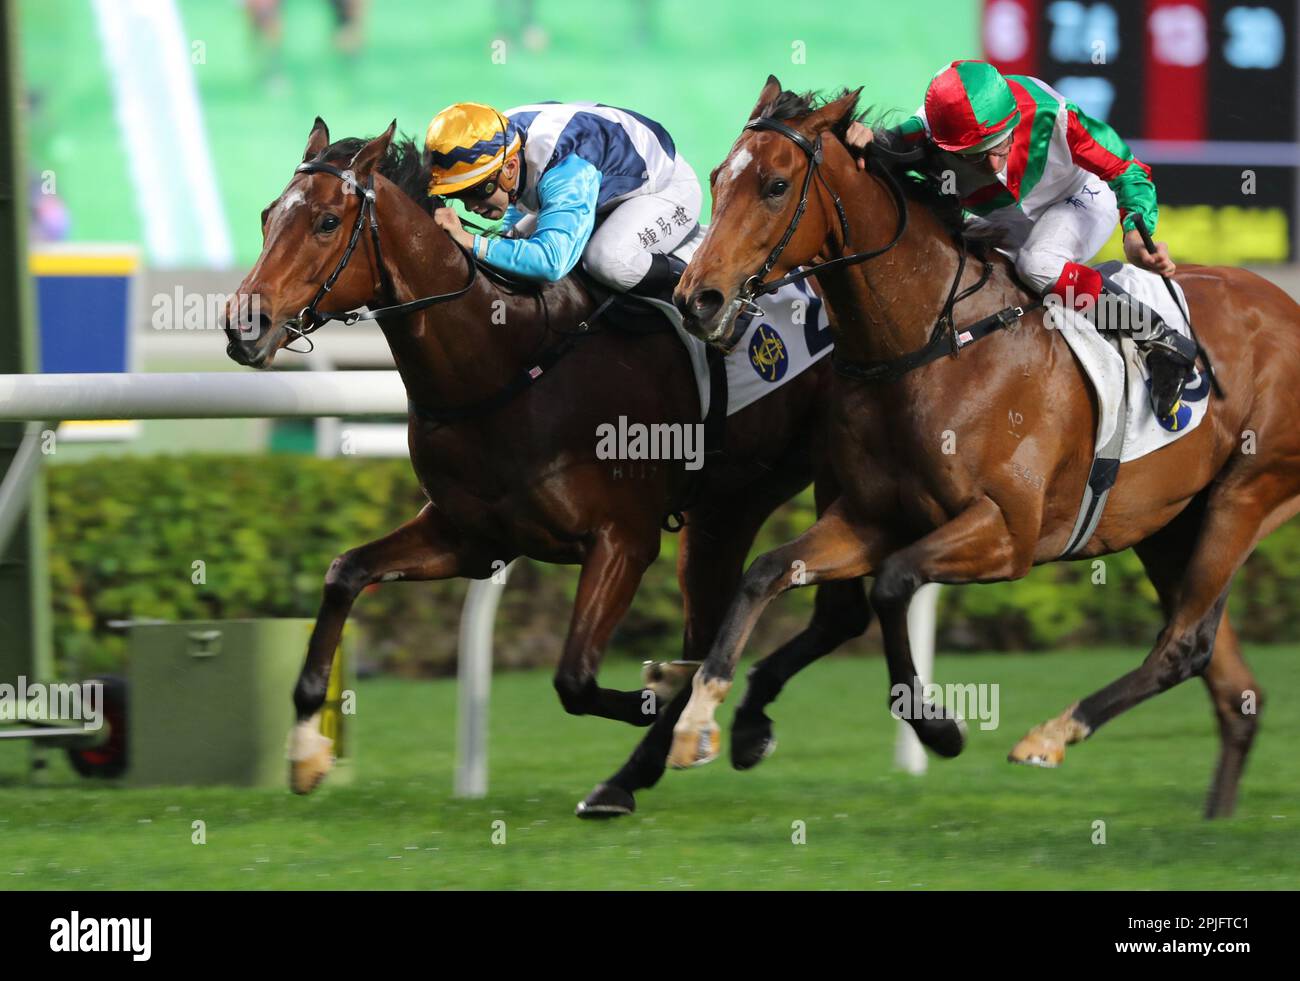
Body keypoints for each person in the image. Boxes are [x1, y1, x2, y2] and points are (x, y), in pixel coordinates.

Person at [846, 60, 1196, 420]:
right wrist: (860, 138)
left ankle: (1156, 336)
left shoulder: (1051, 114)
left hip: (1078, 198)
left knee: (1038, 264)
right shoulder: (925, 133)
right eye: (975, 157)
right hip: (1005, 219)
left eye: (1001, 146)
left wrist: (1135, 230)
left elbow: (1126, 169)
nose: (995, 165)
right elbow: (875, 145)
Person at [423, 101, 701, 307]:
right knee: (510, 244)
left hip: (665, 189)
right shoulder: (497, 141)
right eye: (458, 195)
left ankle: (699, 286)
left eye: (477, 190)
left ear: (509, 167)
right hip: (607, 180)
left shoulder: (566, 169)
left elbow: (552, 262)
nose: (471, 207)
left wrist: (469, 240)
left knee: (606, 260)